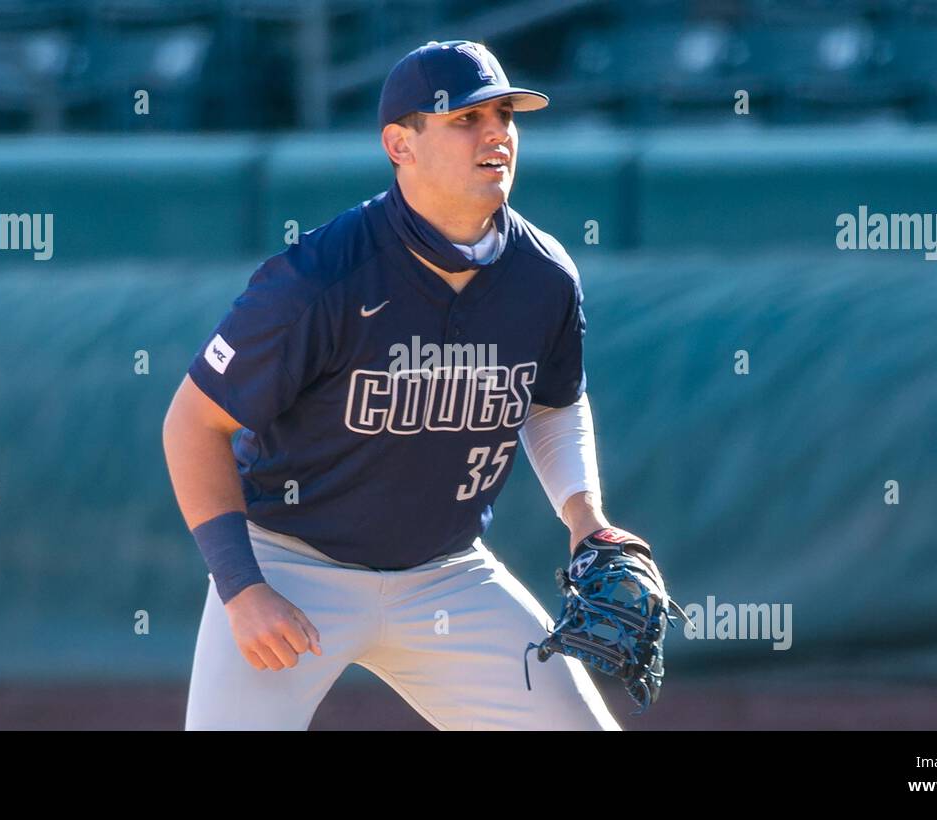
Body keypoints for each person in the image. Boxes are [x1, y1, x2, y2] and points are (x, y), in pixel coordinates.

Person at [163, 39, 627, 730]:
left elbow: (552, 403)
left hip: (447, 575)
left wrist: (585, 518)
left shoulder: (544, 276)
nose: (497, 133)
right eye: (466, 118)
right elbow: (193, 424)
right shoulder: (321, 276)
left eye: (504, 115)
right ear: (399, 144)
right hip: (292, 565)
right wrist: (241, 587)